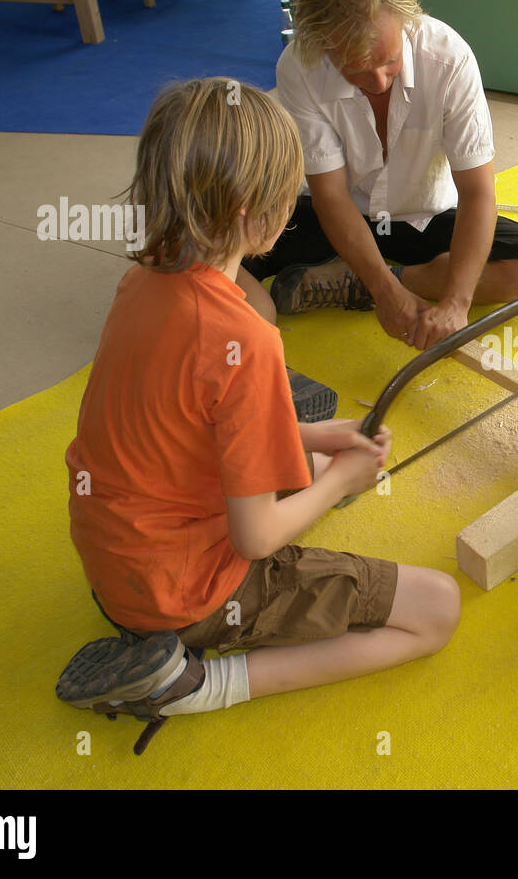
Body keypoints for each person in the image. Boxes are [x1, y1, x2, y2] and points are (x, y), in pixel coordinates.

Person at [55, 79, 460, 722]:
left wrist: (313, 438)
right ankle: (192, 686)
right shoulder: (245, 337)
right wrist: (343, 481)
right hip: (187, 595)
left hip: (114, 568)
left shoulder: (143, 279)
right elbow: (255, 538)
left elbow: (185, 423)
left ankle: (158, 639)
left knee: (322, 468)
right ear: (255, 215)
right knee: (438, 609)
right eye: (287, 196)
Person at [239, 0, 518, 353]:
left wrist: (456, 302)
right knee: (230, 247)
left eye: (389, 63)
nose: (377, 82)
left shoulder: (448, 58)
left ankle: (355, 282)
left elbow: (478, 192)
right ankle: (366, 276)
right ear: (323, 49)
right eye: (354, 69)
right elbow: (331, 195)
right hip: (339, 217)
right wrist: (384, 293)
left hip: (426, 217)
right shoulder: (300, 66)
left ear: (407, 23)